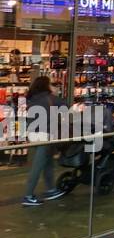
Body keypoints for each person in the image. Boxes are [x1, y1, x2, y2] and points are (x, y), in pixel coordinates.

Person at [21, 75, 69, 206]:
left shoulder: (31, 99)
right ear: (46, 86)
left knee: (47, 163)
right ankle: (28, 196)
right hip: (45, 136)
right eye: (51, 84)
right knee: (38, 166)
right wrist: (56, 93)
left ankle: (51, 189)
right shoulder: (50, 98)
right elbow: (66, 105)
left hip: (33, 135)